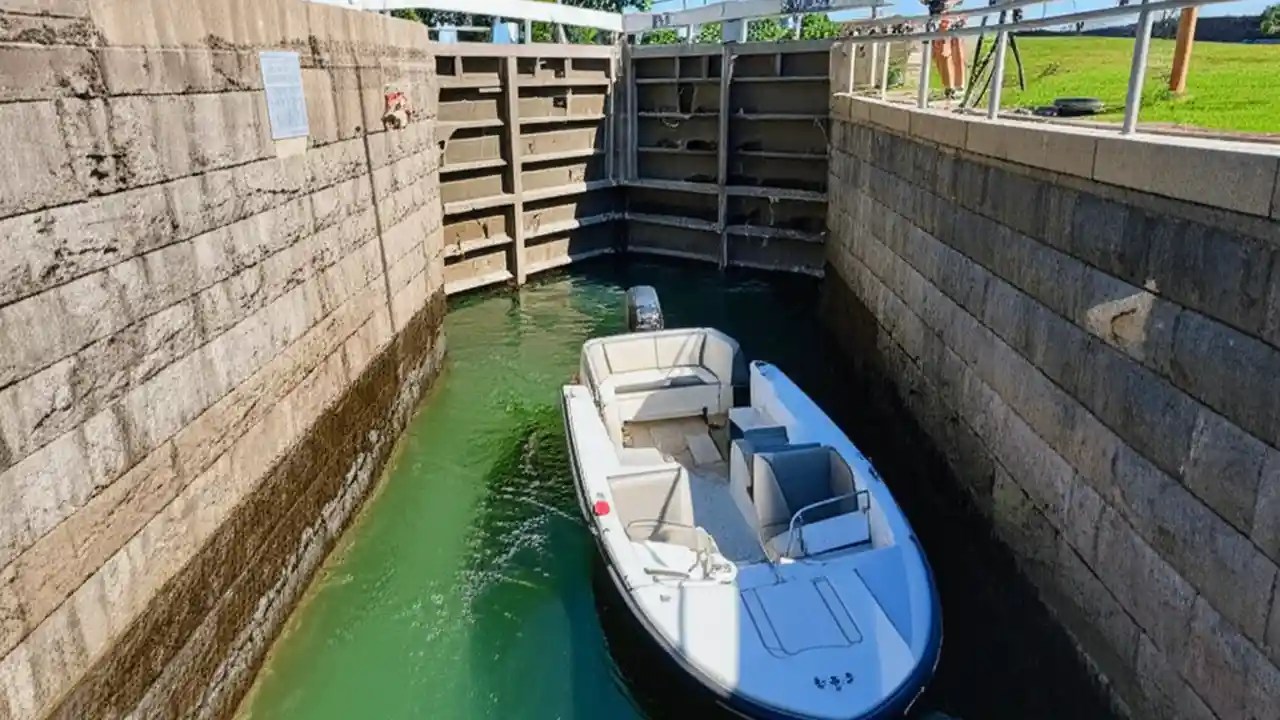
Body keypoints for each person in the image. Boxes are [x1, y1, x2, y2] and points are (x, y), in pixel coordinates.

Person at [926, 0, 967, 99]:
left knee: (955, 49)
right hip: (937, 16)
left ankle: (958, 87)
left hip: (953, 15)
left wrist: (949, 3)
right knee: (940, 52)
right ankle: (949, 87)